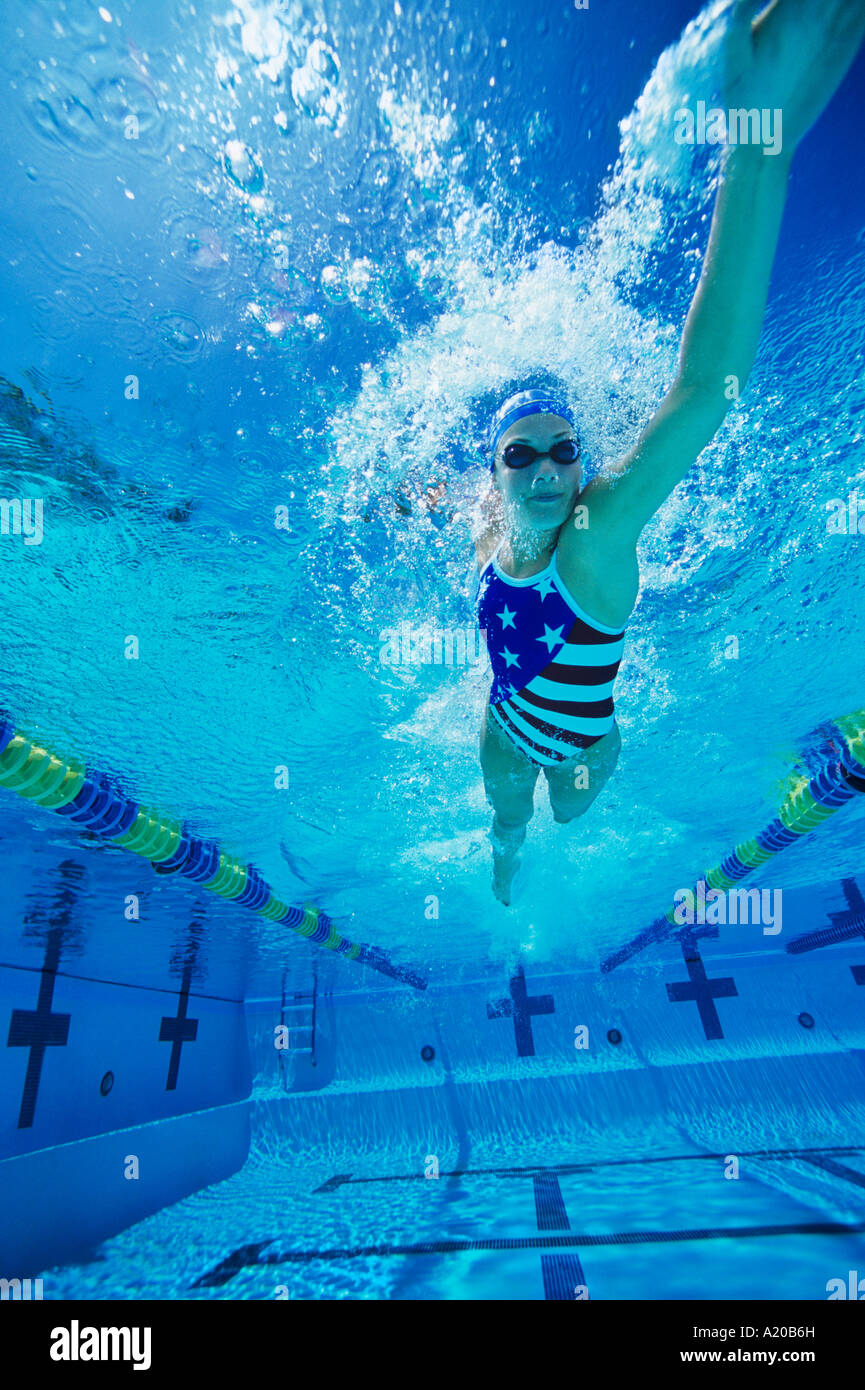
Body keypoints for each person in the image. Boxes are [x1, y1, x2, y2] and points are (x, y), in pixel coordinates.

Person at [469, 0, 865, 903]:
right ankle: (507, 847)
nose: (541, 468)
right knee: (507, 825)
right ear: (496, 473)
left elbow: (704, 386)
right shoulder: (489, 518)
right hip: (501, 731)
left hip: (580, 748)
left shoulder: (594, 537)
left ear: (580, 466)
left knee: (567, 813)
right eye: (518, 455)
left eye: (560, 451)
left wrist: (755, 158)